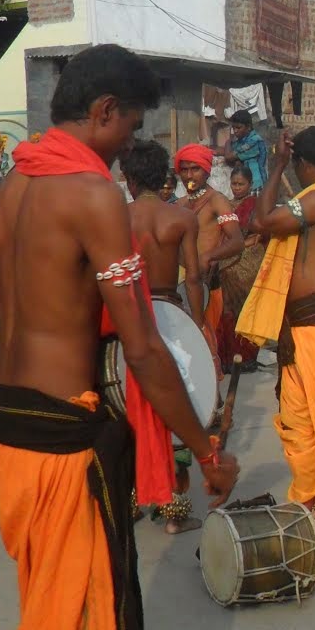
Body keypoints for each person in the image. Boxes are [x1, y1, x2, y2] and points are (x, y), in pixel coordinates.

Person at [0, 43, 238, 630]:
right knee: (69, 624)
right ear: (104, 113)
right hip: (62, 434)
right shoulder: (91, 195)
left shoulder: (17, 181)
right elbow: (147, 348)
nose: (129, 147)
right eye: (130, 128)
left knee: (55, 609)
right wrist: (206, 448)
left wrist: (1, 308)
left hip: (6, 421)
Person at [240, 126, 315, 539]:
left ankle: (305, 511)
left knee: (300, 424)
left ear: (303, 164)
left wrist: (273, 167)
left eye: (293, 163)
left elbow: (261, 220)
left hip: (314, 330)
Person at [120, 139, 205, 533]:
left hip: (129, 316)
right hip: (171, 317)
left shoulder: (117, 217)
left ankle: (135, 498)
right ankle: (174, 513)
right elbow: (195, 278)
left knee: (127, 404)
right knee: (180, 400)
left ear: (129, 178)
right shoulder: (182, 219)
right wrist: (200, 331)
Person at [173, 143, 244, 354]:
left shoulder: (217, 201)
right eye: (184, 170)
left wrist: (207, 257)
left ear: (206, 171)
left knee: (204, 347)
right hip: (180, 285)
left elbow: (237, 241)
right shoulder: (180, 204)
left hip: (206, 284)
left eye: (194, 169)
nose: (189, 175)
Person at [216, 165, 261, 375]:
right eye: (234, 183)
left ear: (250, 185)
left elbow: (261, 233)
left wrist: (240, 247)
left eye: (241, 184)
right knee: (226, 310)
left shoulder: (255, 205)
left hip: (247, 262)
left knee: (245, 310)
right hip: (226, 261)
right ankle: (227, 356)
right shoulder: (226, 204)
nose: (236, 188)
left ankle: (247, 356)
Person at [220, 109, 267, 187]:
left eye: (238, 128)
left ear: (248, 127)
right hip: (245, 184)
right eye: (233, 128)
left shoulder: (254, 141)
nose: (235, 131)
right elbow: (228, 154)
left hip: (256, 183)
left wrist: (228, 142)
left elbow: (228, 156)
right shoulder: (241, 140)